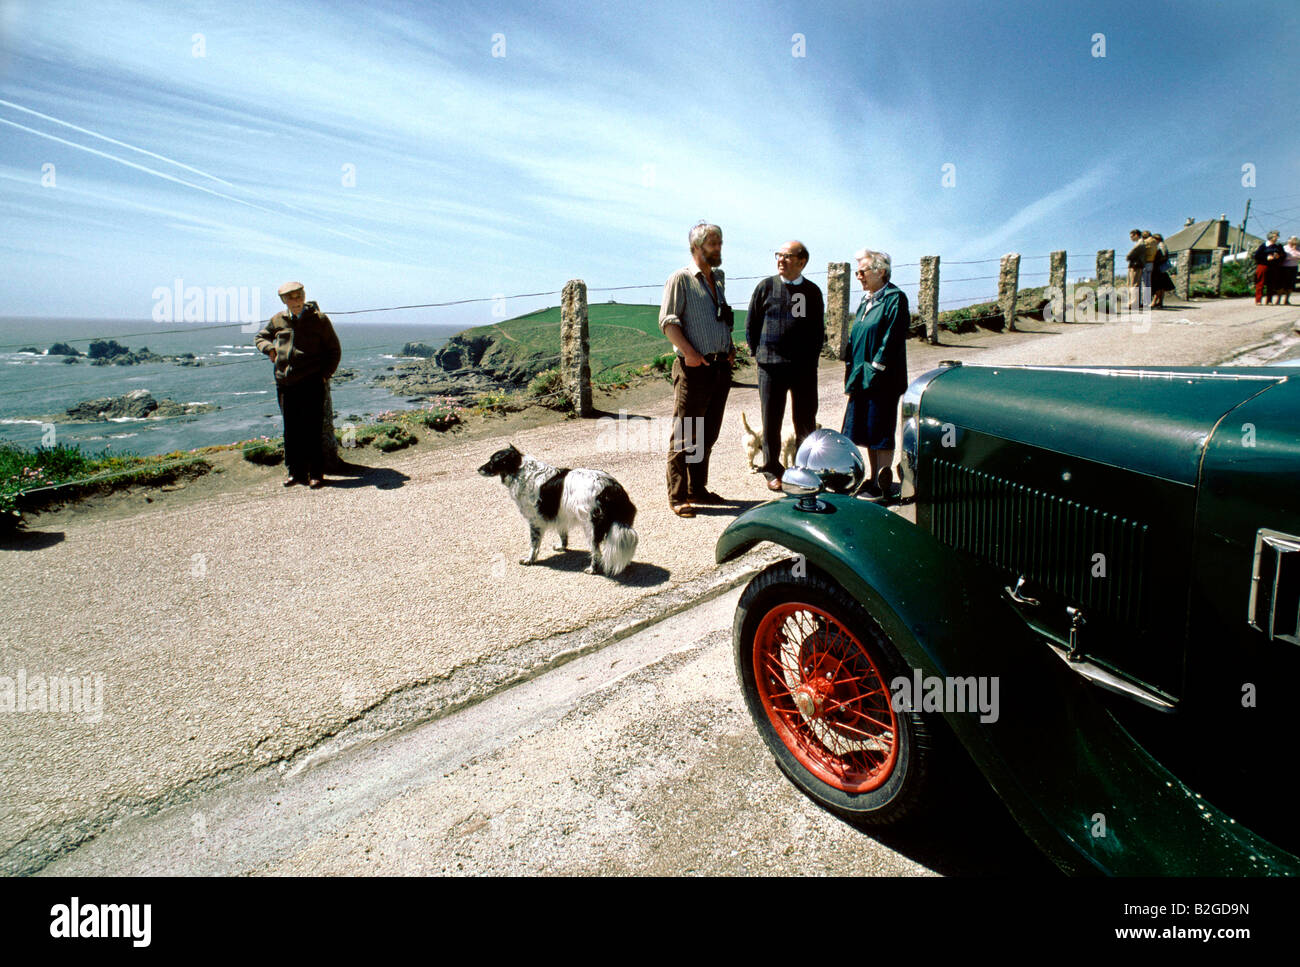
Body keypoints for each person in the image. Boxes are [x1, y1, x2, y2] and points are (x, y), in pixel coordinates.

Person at [659, 222, 735, 518]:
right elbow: (668, 321)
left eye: (719, 243)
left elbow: (720, 319)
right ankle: (678, 496)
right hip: (694, 368)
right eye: (712, 244)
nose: (718, 249)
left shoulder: (717, 279)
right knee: (686, 433)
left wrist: (729, 347)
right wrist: (689, 354)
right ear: (696, 248)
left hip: (719, 367)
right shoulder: (681, 278)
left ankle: (697, 488)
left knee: (707, 433)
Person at [746, 240, 825, 491]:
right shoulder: (766, 287)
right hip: (770, 367)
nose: (780, 259)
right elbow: (751, 325)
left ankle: (803, 468)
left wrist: (810, 360)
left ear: (802, 262)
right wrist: (759, 355)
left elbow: (816, 331)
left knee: (805, 419)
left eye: (787, 256)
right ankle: (772, 469)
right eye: (778, 255)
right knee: (771, 421)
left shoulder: (811, 292)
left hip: (802, 369)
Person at [255, 281, 341, 489]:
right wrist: (269, 349)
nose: (296, 301)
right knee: (291, 430)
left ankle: (316, 474)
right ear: (284, 300)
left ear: (304, 296)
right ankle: (295, 472)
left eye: (298, 296)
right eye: (290, 297)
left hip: (312, 382)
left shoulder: (319, 320)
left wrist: (325, 375)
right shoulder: (278, 320)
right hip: (286, 383)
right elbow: (260, 337)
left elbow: (334, 350)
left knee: (312, 429)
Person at [843, 249, 908, 500]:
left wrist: (876, 367)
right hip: (862, 375)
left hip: (882, 378)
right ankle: (873, 478)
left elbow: (892, 337)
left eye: (862, 271)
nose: (858, 276)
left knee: (880, 429)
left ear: (880, 271)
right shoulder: (866, 300)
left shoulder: (895, 298)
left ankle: (884, 481)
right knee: (868, 429)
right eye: (857, 271)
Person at [1254, 231, 1285, 305]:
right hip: (1263, 266)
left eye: (1277, 236)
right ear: (1270, 237)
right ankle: (1258, 300)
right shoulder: (1264, 245)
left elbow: (1283, 255)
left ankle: (1269, 300)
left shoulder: (1278, 246)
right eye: (1275, 236)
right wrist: (1266, 258)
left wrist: (1279, 256)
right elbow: (1257, 256)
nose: (1276, 237)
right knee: (1260, 283)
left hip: (1273, 266)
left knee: (1271, 284)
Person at [1150, 233, 1174, 308]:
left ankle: (1154, 302)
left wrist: (1156, 261)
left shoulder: (1160, 245)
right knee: (1161, 286)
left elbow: (1163, 256)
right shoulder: (1162, 245)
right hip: (1161, 268)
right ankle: (1160, 302)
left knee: (1158, 286)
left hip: (1158, 268)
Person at [1125, 229, 1146, 309]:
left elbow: (1132, 253)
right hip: (1136, 265)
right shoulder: (1140, 243)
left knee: (1134, 284)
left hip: (1136, 265)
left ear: (1136, 235)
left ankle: (1133, 303)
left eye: (1131, 236)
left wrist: (1128, 257)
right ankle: (1134, 302)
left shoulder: (1140, 243)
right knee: (1133, 284)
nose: (1131, 238)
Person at [1281, 236, 1299, 307]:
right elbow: (1285, 256)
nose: (1294, 242)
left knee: (1291, 284)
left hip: (1294, 267)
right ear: (1289, 241)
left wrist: (1294, 252)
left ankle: (1286, 299)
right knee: (1283, 283)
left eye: (1295, 240)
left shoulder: (1297, 248)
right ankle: (1279, 299)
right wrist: (1294, 256)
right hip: (1285, 267)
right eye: (1293, 240)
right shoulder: (1284, 248)